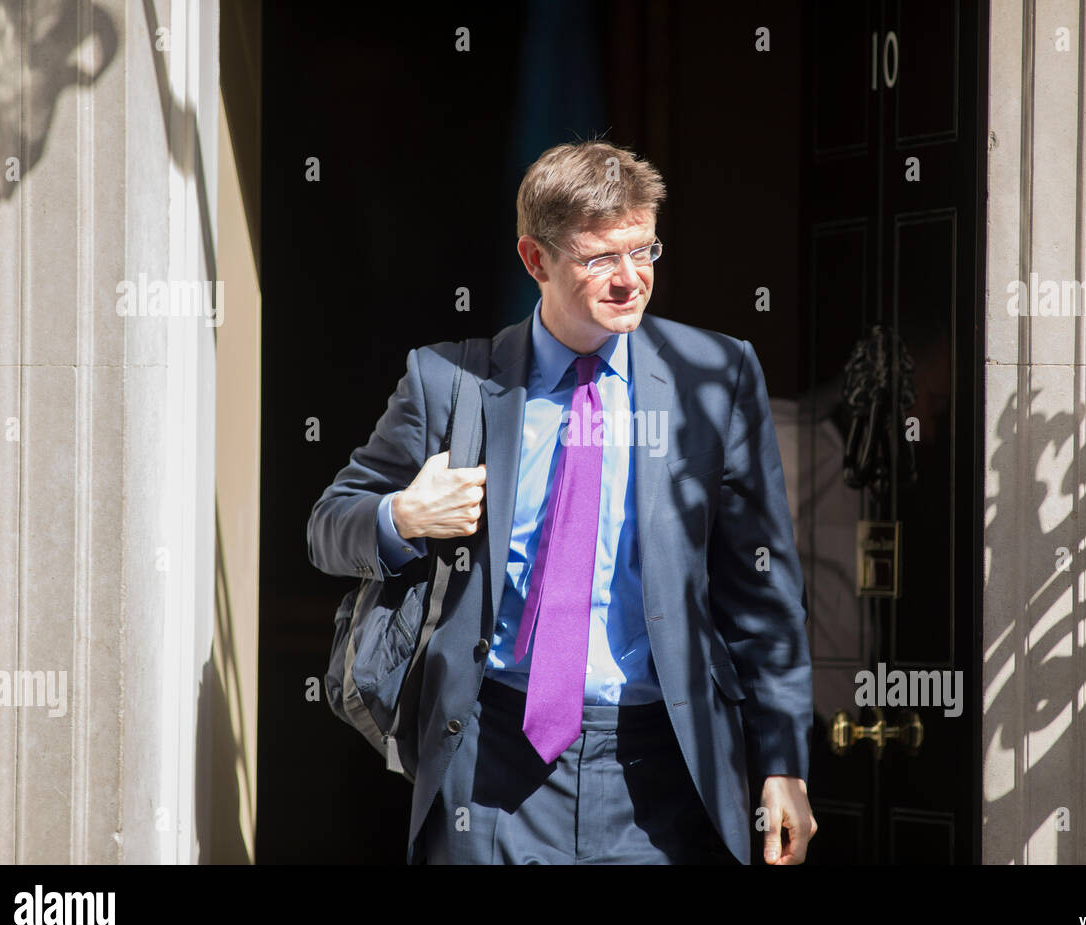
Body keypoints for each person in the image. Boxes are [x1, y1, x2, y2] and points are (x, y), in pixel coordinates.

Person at [307, 140, 816, 865]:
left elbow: (762, 591)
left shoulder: (715, 376)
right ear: (535, 259)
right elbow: (329, 524)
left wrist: (782, 763)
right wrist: (401, 517)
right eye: (599, 258)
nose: (630, 279)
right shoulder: (450, 382)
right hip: (490, 762)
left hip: (659, 770)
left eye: (644, 250)